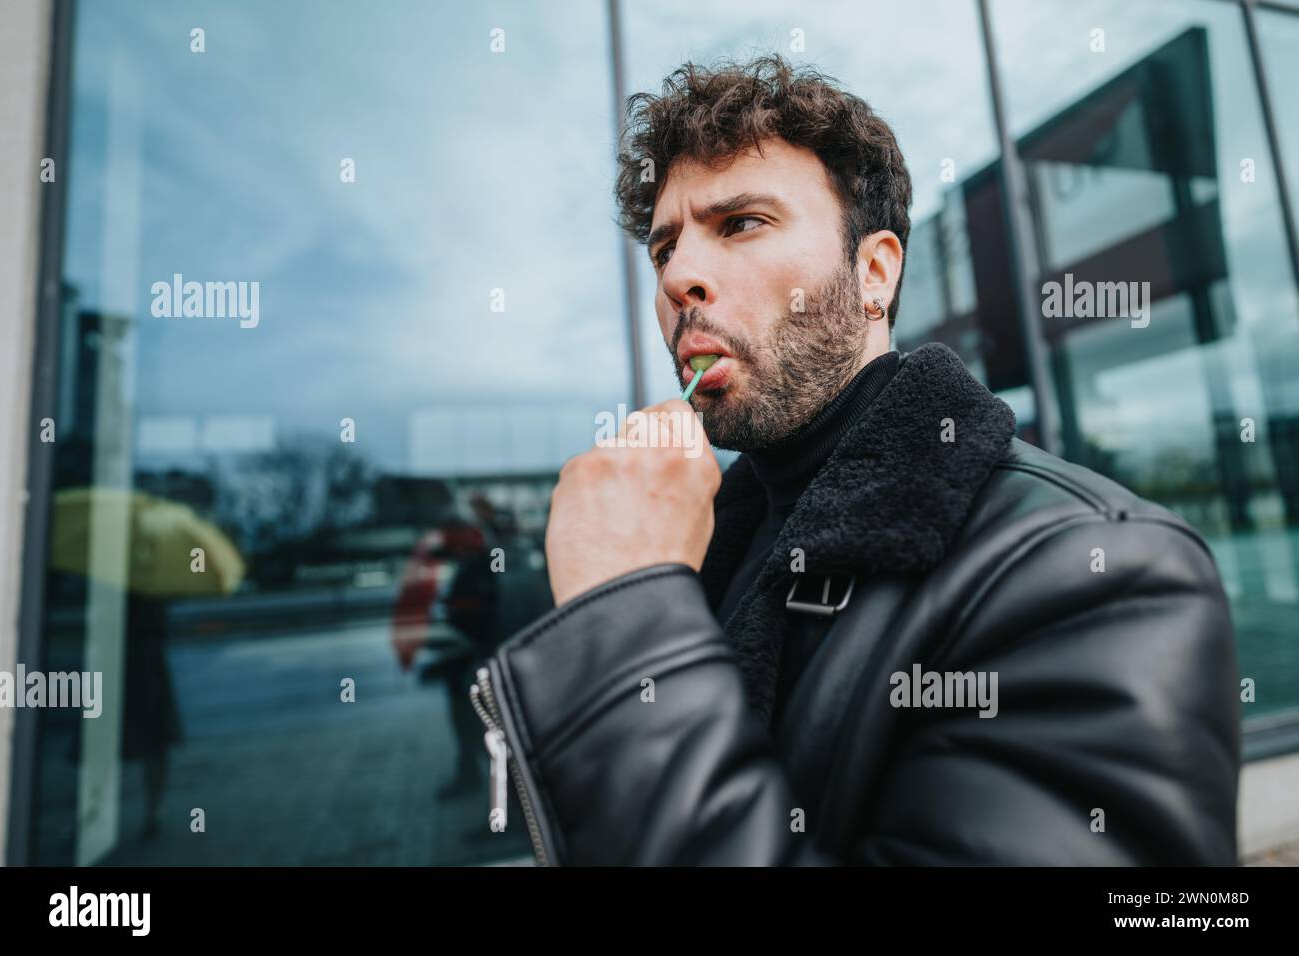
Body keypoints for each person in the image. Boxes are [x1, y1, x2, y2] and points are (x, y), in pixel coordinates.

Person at [469, 54, 1239, 865]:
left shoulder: (1097, 572)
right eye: (664, 249)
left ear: (874, 273)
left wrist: (622, 626)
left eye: (741, 224)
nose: (680, 278)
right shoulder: (708, 546)